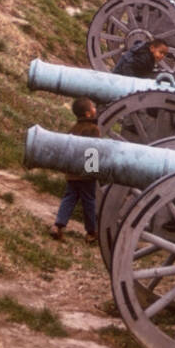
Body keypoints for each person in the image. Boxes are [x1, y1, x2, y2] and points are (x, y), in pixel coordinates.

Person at [51, 97, 101, 244]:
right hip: (86, 174)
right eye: (92, 107)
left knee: (69, 198)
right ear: (88, 114)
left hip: (72, 173)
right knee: (89, 202)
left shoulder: (72, 130)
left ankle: (58, 225)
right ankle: (91, 232)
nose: (95, 109)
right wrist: (93, 172)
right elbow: (93, 150)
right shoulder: (93, 130)